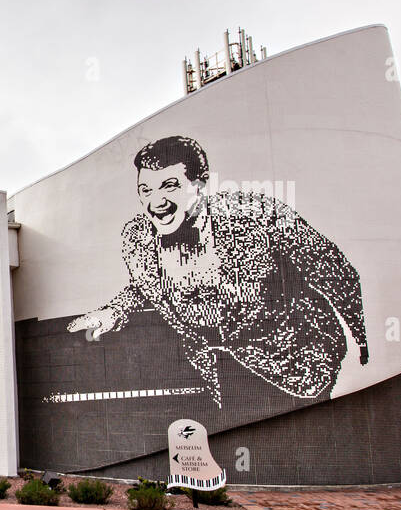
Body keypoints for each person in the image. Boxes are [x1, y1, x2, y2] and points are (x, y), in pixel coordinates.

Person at [67, 135, 368, 406]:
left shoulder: (257, 216)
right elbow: (145, 287)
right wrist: (113, 311)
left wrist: (363, 344)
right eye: (145, 190)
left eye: (169, 186)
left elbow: (332, 269)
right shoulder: (138, 237)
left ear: (200, 183)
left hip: (294, 362)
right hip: (217, 373)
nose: (155, 202)